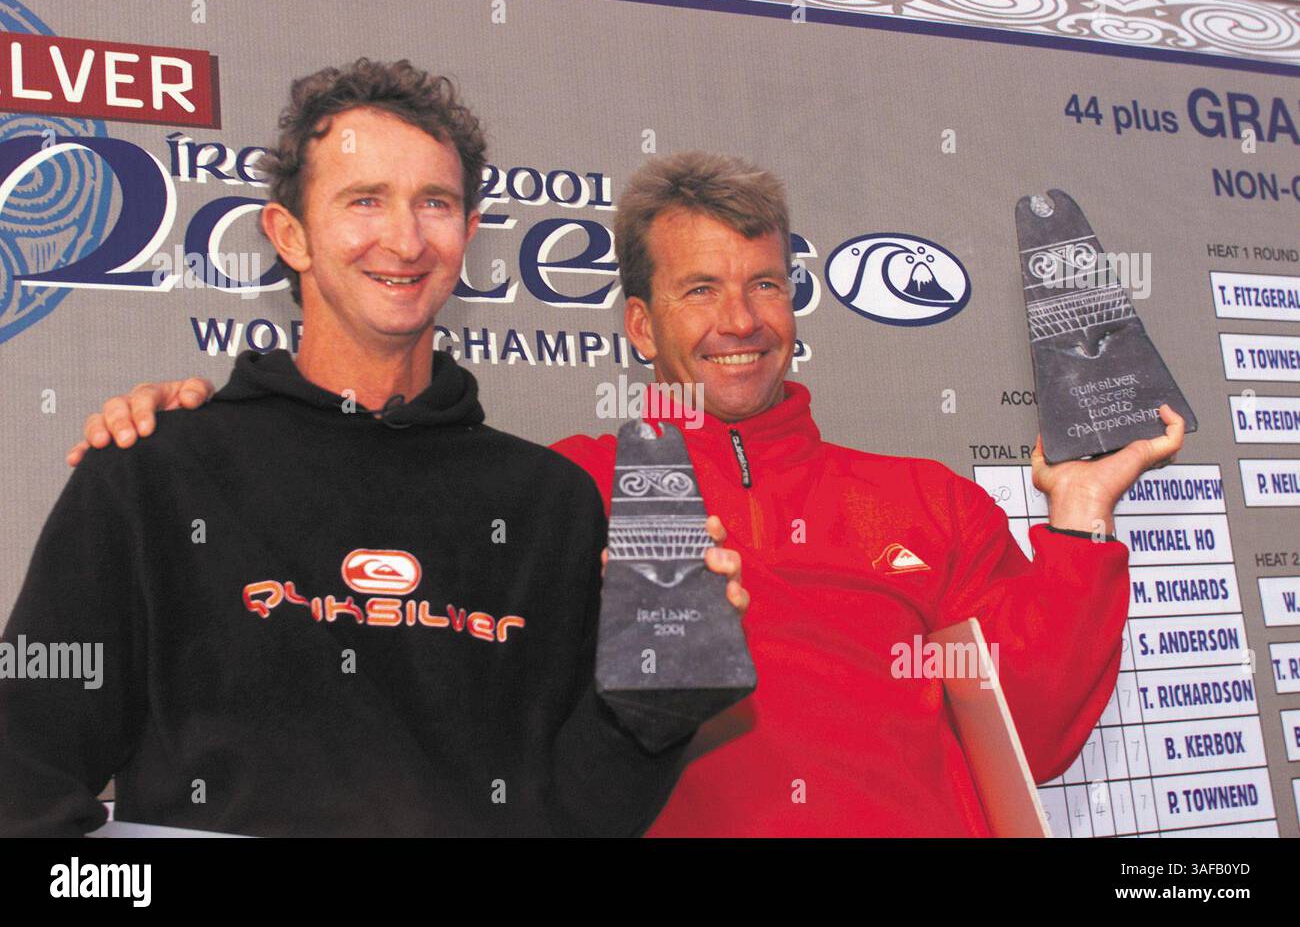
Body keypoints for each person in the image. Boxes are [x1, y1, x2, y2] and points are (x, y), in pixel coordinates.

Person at [67, 152, 1184, 837]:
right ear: (641, 325)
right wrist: (191, 432)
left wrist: (1079, 519)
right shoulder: (554, 491)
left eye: (762, 284)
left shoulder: (920, 502)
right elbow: (350, 568)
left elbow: (1028, 737)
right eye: (700, 287)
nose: (739, 318)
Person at [0, 61, 747, 838]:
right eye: (365, 201)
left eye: (435, 203)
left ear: (470, 233)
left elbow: (575, 819)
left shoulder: (550, 502)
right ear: (289, 233)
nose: (404, 238)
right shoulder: (153, 470)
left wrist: (653, 702)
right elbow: (23, 779)